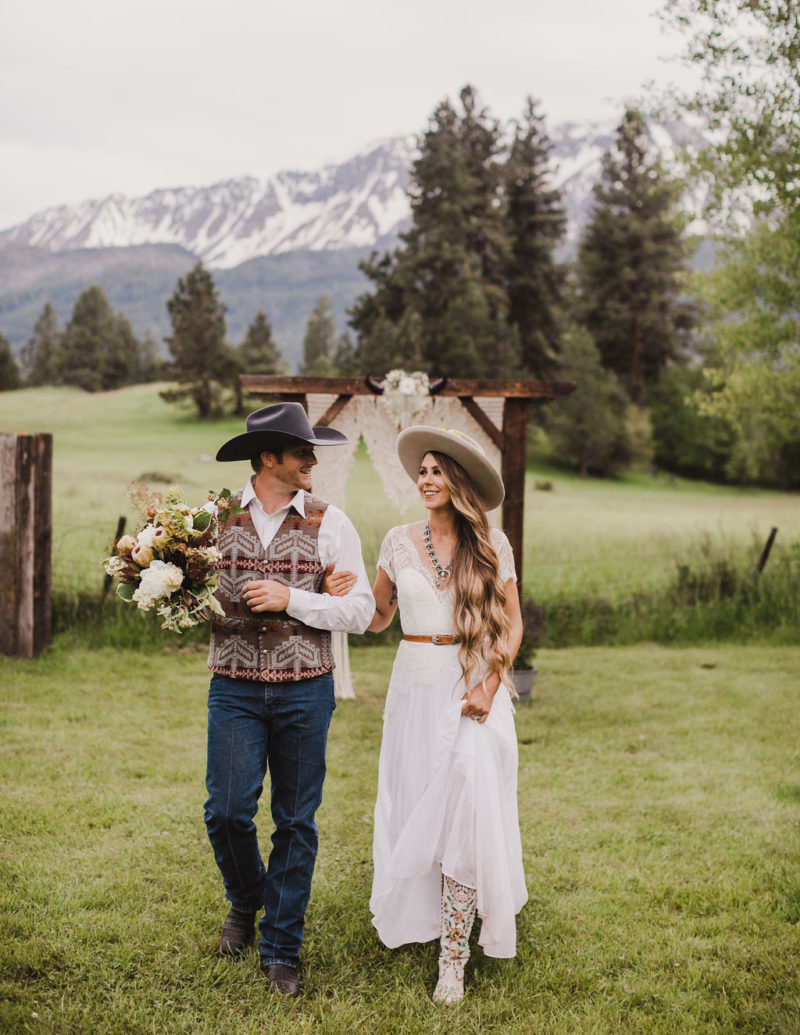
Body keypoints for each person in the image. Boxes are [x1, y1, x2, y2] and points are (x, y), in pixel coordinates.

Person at [326, 425, 526, 1005]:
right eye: (423, 471)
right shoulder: (396, 540)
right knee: (420, 803)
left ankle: (454, 959)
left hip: (472, 687)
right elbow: (379, 617)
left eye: (439, 471)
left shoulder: (492, 544)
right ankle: (429, 917)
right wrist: (340, 591)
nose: (428, 479)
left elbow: (512, 625)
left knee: (464, 803)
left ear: (458, 481)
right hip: (412, 688)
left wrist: (491, 685)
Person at [205, 402, 375, 999]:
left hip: (307, 691)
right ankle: (247, 897)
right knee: (225, 812)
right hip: (233, 687)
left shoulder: (334, 523)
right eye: (303, 451)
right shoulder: (212, 516)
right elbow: (180, 584)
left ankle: (281, 948)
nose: (313, 459)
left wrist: (293, 598)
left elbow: (360, 611)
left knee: (296, 822)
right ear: (268, 458)